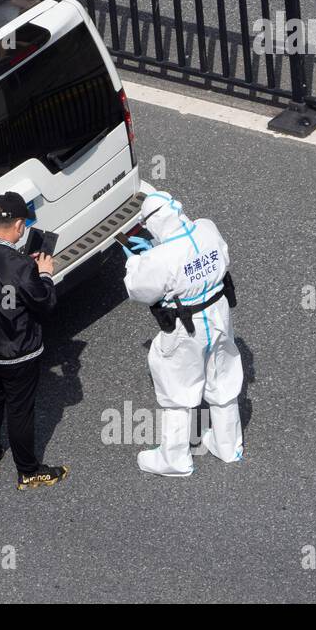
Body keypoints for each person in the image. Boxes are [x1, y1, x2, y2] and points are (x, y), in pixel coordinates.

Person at [122, 191, 244, 477]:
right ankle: (229, 446)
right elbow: (221, 258)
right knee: (223, 377)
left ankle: (174, 459)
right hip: (219, 313)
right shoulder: (207, 227)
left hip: (185, 325)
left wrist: (136, 262)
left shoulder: (160, 258)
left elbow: (139, 290)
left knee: (176, 388)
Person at [0, 191, 68, 490]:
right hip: (16, 351)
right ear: (19, 225)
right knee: (20, 409)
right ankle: (28, 471)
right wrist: (43, 274)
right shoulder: (20, 266)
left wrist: (22, 266)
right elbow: (44, 303)